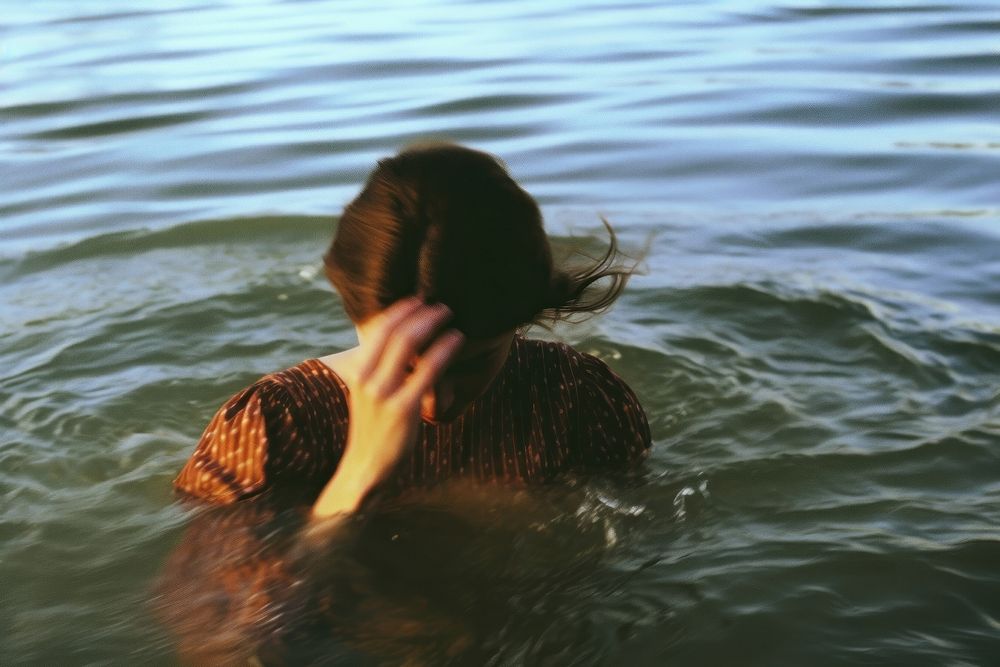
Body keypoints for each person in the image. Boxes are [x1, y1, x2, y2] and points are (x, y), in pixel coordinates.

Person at [174, 143, 651, 520]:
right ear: (351, 310)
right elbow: (227, 638)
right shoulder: (274, 427)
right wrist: (357, 477)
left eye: (468, 364)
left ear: (522, 318)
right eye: (404, 360)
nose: (433, 400)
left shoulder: (578, 398)